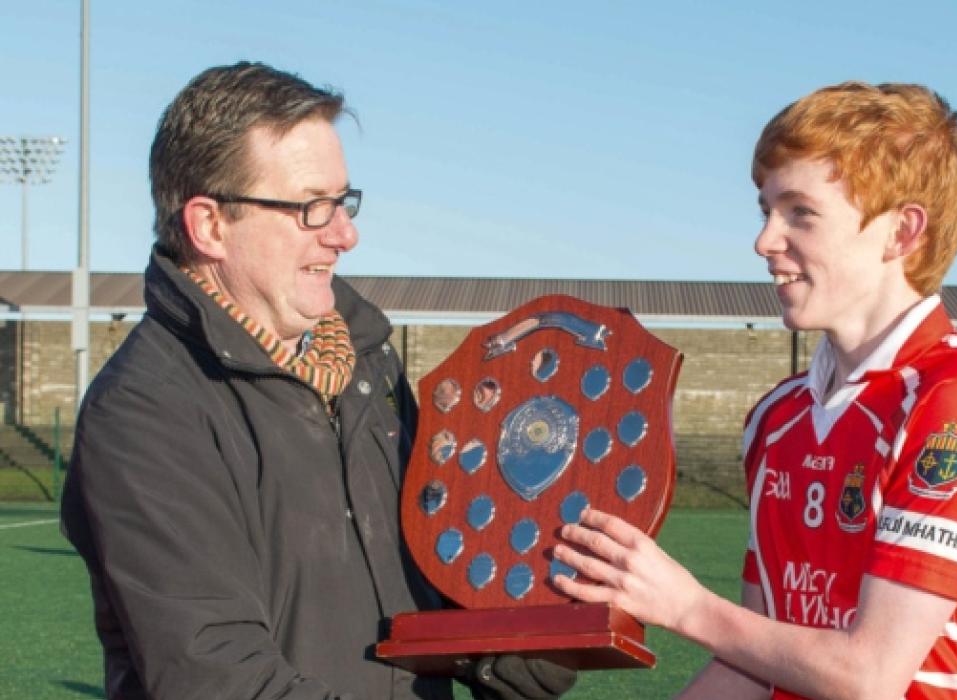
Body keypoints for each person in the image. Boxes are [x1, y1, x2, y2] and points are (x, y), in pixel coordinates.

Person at [60, 62, 574, 700]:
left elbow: (442, 580)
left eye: (343, 201)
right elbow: (218, 675)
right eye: (311, 207)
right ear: (210, 225)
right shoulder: (144, 410)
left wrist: (551, 626)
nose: (345, 234)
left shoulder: (367, 364)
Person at [550, 81, 957, 699]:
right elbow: (756, 661)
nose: (764, 241)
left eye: (800, 212)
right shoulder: (777, 418)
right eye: (765, 211)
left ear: (901, 232)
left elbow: (869, 677)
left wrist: (685, 606)